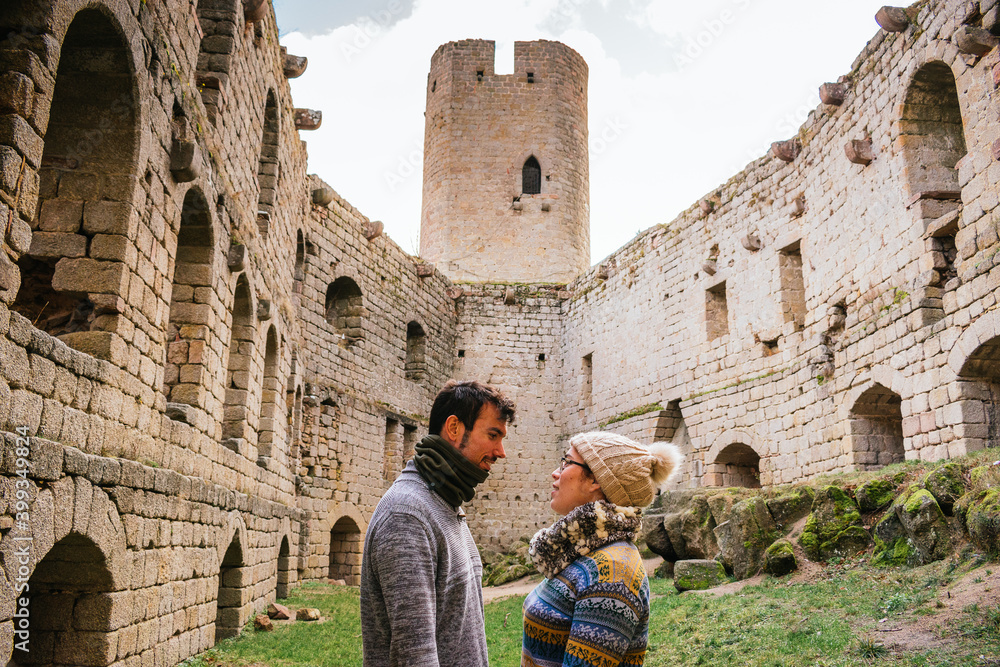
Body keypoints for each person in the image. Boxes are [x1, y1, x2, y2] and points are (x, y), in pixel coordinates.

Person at [361, 379, 516, 667]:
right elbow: (415, 655)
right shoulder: (407, 516)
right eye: (493, 435)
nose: (501, 451)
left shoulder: (446, 500)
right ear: (454, 428)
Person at [522, 431, 681, 667]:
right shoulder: (580, 551)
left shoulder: (613, 573)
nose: (556, 472)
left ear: (595, 480)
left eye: (567, 462)